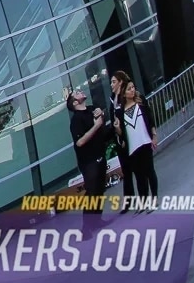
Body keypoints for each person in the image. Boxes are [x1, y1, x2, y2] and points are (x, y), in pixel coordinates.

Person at [114, 73, 159, 209]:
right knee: (139, 176)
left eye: (133, 87)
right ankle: (144, 202)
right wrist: (118, 130)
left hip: (145, 142)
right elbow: (122, 134)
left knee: (149, 171)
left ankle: (154, 198)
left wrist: (154, 136)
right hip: (132, 147)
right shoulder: (120, 111)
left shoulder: (141, 101)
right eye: (129, 89)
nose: (132, 90)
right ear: (123, 92)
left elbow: (150, 119)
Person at [66, 87, 109, 212]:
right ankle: (87, 225)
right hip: (88, 161)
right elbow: (79, 142)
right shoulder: (76, 121)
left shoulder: (91, 109)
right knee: (92, 191)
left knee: (100, 188)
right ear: (75, 102)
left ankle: (98, 219)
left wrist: (102, 113)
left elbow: (101, 120)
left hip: (100, 154)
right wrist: (96, 126)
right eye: (77, 93)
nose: (80, 91)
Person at [108, 71, 135, 204]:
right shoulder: (113, 99)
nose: (111, 84)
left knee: (138, 168)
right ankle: (129, 201)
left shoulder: (127, 96)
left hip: (130, 138)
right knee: (126, 170)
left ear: (120, 82)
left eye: (113, 81)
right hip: (119, 140)